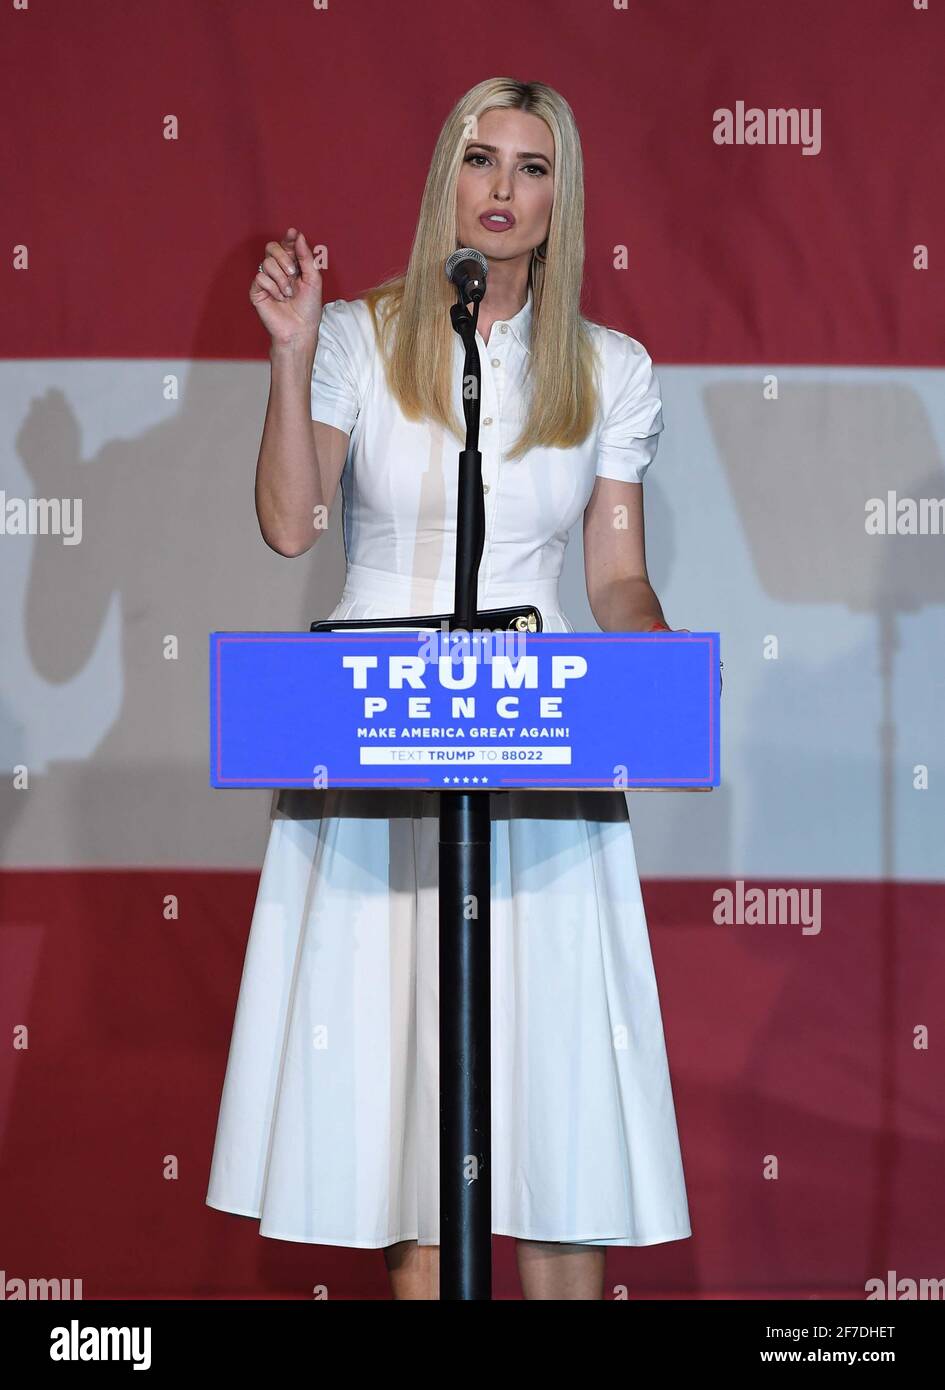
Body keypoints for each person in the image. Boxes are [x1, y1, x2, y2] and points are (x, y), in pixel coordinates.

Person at [206, 77, 691, 1301]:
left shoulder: (609, 367)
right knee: (414, 1143)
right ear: (447, 182)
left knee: (554, 1128)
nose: (503, 190)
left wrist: (663, 680)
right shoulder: (364, 338)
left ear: (559, 200)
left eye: (533, 168)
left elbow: (619, 580)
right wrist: (293, 353)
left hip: (536, 750)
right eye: (482, 160)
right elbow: (287, 523)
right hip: (376, 748)